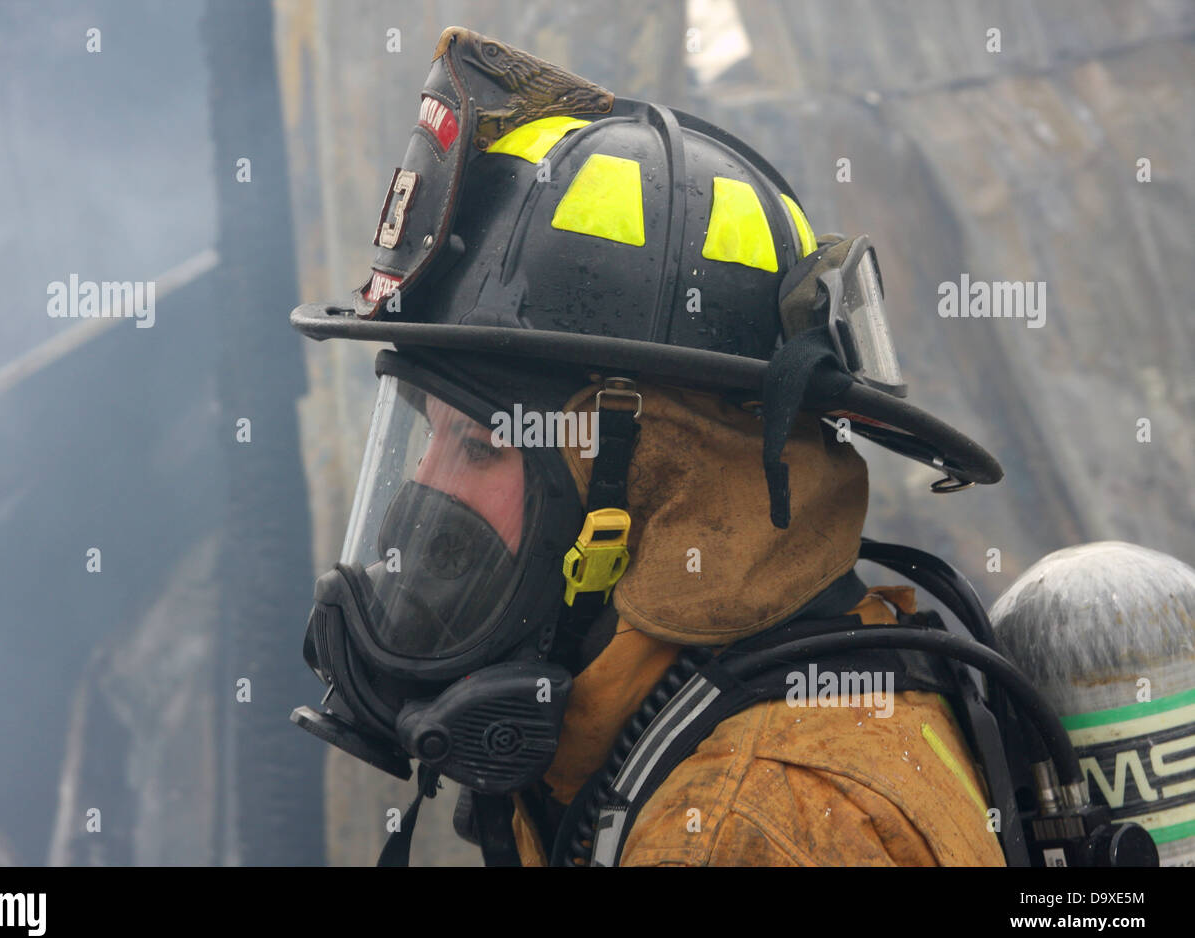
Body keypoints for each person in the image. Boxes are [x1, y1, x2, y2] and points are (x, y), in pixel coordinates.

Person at [290, 26, 1006, 866]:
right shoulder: (634, 729)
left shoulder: (753, 826)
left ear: (658, 478)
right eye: (422, 434)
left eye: (482, 446)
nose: (419, 492)